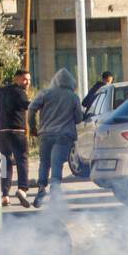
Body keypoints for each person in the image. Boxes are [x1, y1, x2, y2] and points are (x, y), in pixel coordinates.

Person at [29, 67, 84, 208]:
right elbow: (79, 119)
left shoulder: (45, 93)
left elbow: (31, 108)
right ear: (71, 82)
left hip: (45, 134)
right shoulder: (73, 97)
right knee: (56, 163)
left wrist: (32, 126)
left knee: (44, 162)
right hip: (64, 135)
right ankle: (55, 191)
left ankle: (41, 188)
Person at [0, 69, 32, 208]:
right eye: (25, 79)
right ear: (16, 79)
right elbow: (28, 105)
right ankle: (22, 189)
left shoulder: (0, 92)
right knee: (22, 160)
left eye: (29, 80)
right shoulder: (19, 92)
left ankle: (5, 195)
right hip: (17, 131)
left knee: (5, 163)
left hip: (2, 132)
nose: (27, 82)